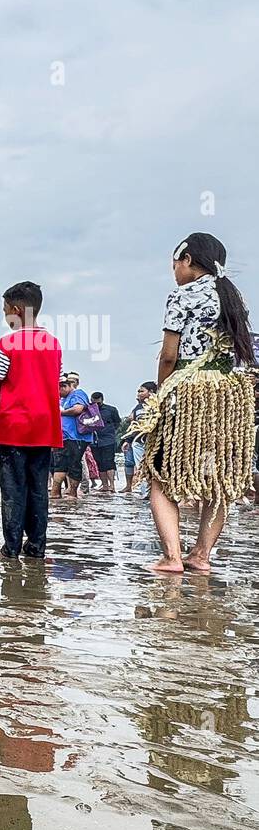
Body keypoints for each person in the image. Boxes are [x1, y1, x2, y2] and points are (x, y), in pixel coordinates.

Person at [132, 232, 255, 574]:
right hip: (227, 393)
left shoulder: (181, 295)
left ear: (187, 259)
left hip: (187, 392)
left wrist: (161, 391)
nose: (173, 270)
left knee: (161, 474)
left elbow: (169, 355)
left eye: (175, 263)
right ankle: (201, 555)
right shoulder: (234, 297)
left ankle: (172, 557)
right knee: (216, 478)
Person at [0, 281, 62, 558]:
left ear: (16, 310)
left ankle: (11, 546)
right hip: (45, 427)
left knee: (13, 489)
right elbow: (53, 383)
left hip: (14, 425)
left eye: (6, 310)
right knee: (38, 488)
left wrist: (0, 413)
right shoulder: (53, 344)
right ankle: (37, 545)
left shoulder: (7, 343)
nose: (6, 316)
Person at [51, 375, 93, 498]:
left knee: (73, 464)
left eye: (59, 390)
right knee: (60, 464)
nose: (58, 393)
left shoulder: (77, 394)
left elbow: (78, 409)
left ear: (65, 386)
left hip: (76, 437)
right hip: (64, 436)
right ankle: (56, 492)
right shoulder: (63, 398)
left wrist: (61, 412)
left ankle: (72, 492)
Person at [120, 380, 156, 499]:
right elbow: (134, 425)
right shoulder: (138, 407)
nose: (139, 393)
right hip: (139, 441)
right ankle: (145, 491)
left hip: (154, 441)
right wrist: (128, 441)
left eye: (142, 391)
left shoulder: (158, 404)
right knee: (141, 466)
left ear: (151, 392)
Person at [89, 392, 120, 492]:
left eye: (98, 403)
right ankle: (104, 485)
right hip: (94, 440)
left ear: (102, 400)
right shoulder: (89, 410)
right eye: (94, 403)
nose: (96, 405)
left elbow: (117, 422)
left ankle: (112, 485)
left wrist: (110, 431)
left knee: (109, 462)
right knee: (99, 463)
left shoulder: (111, 410)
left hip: (108, 440)